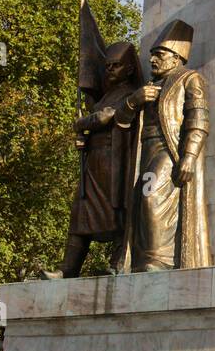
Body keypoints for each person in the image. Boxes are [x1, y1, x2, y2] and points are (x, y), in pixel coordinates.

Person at [41, 41, 142, 278]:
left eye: (116, 65)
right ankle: (68, 269)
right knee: (80, 211)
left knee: (116, 210)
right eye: (107, 66)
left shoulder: (128, 93)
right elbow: (97, 119)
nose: (109, 70)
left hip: (114, 161)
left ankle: (118, 262)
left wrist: (82, 123)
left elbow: (105, 117)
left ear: (128, 69)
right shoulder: (106, 95)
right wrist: (84, 140)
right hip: (93, 162)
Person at [120, 20, 211, 270]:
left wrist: (189, 156)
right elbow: (122, 120)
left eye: (159, 55)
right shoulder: (148, 87)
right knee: (140, 201)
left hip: (169, 150)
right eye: (151, 55)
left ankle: (159, 261)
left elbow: (199, 121)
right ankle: (140, 260)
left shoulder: (190, 79)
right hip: (146, 149)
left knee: (151, 197)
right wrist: (132, 102)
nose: (152, 60)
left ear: (176, 58)